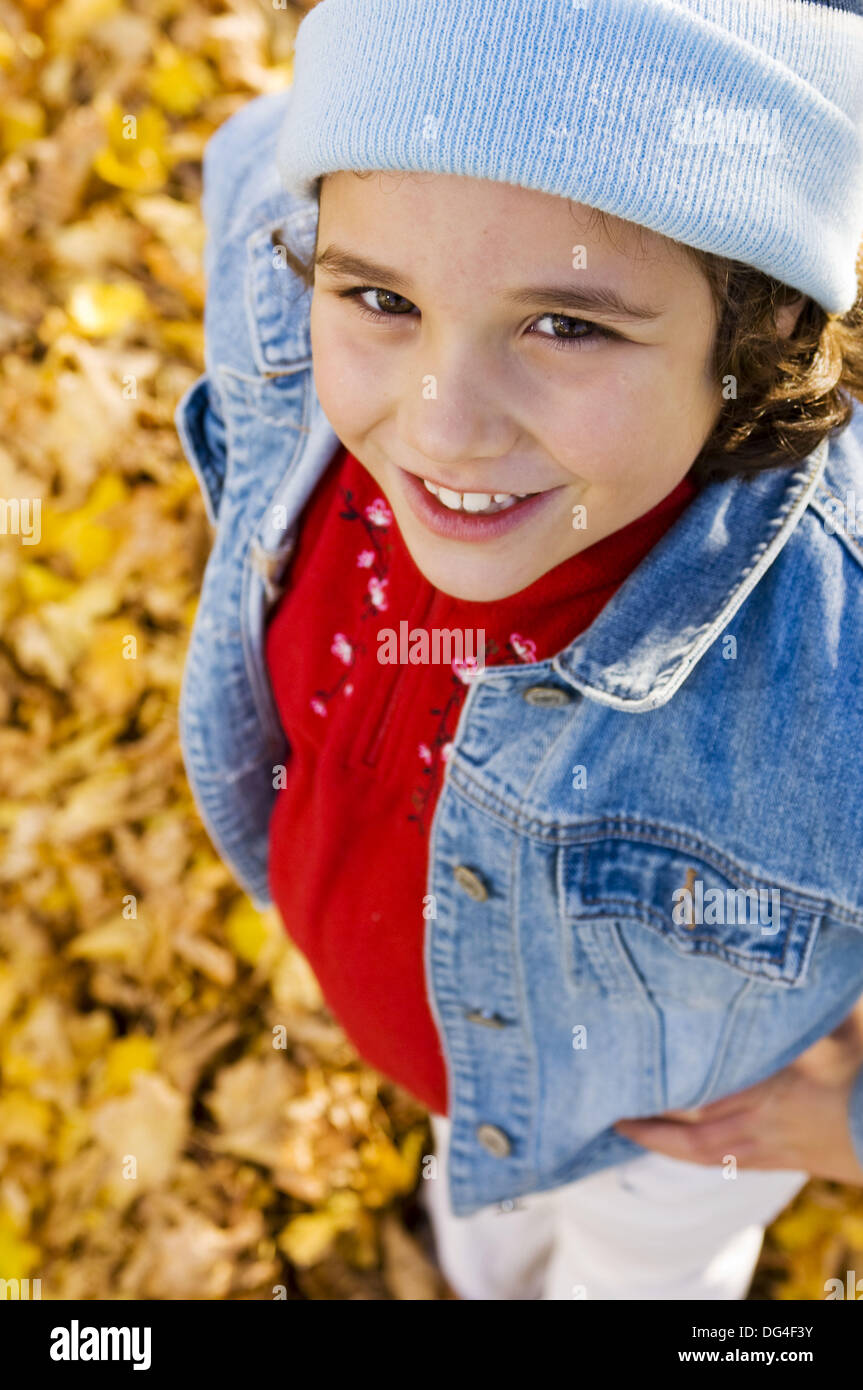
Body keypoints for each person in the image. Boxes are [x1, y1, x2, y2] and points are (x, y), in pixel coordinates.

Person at [175, 0, 863, 1299]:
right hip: (444, 1048)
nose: (442, 427)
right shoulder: (286, 297)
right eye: (382, 298)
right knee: (484, 1235)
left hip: (661, 1145)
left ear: (766, 329)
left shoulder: (836, 649)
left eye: (568, 325)